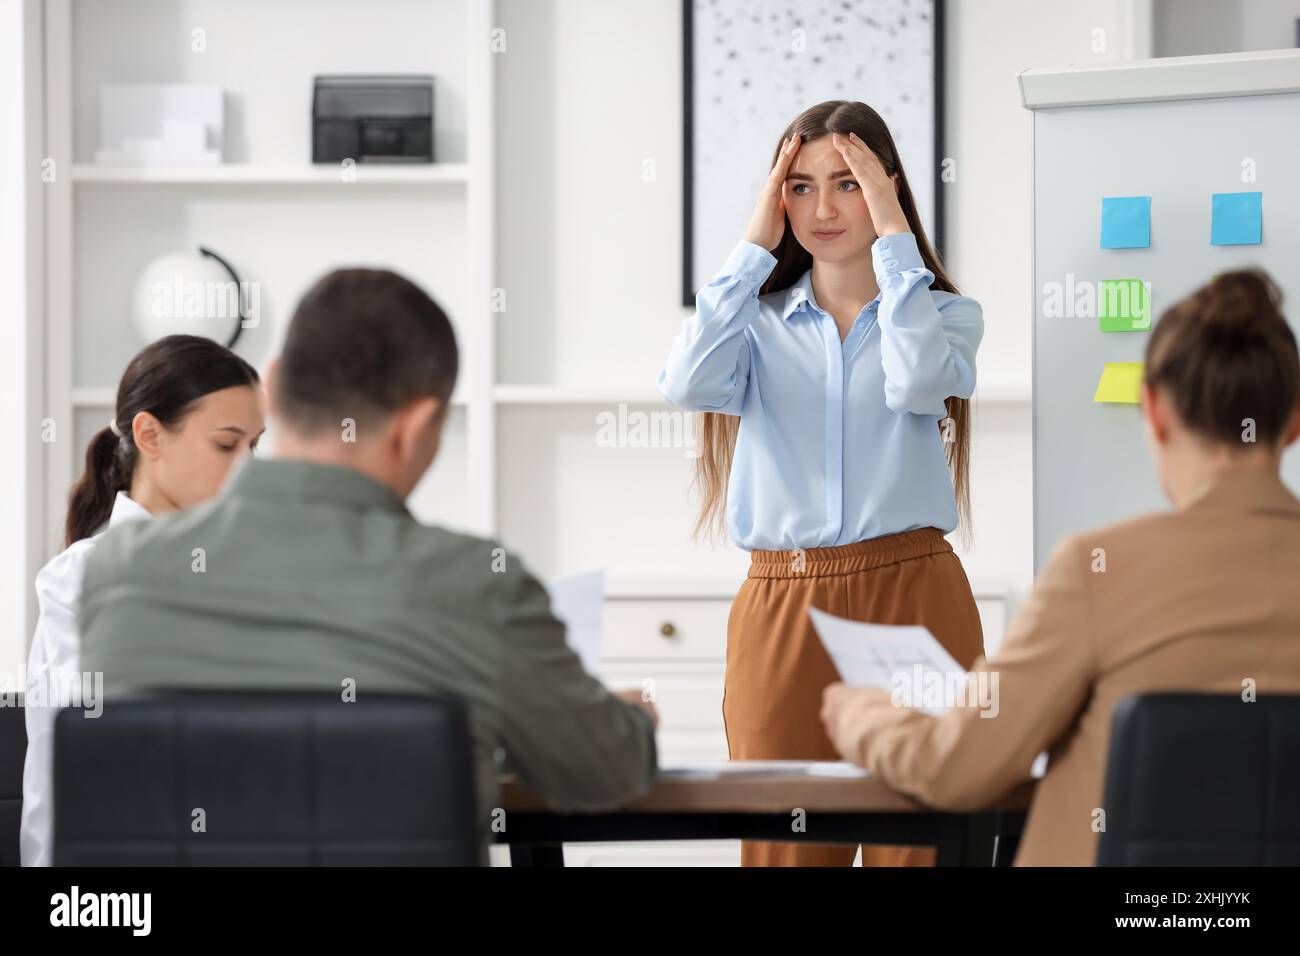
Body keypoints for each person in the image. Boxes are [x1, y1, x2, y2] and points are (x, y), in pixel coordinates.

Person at [78, 268, 658, 864]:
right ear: (417, 426)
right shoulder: (476, 587)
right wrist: (631, 720)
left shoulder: (119, 572)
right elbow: (604, 772)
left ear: (271, 388)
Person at [822, 269, 1300, 866]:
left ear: (1153, 411)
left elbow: (956, 768)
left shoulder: (1099, 572)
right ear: (1295, 420)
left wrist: (862, 714)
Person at [659, 100, 984, 867]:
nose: (823, 208)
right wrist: (750, 249)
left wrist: (896, 240)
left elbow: (915, 383)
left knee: (925, 846)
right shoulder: (754, 324)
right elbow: (686, 384)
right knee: (786, 847)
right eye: (799, 187)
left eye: (848, 183)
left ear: (886, 189)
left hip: (914, 594)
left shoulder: (946, 316)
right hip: (783, 602)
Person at [21, 335, 264, 865]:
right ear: (150, 435)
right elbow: (86, 758)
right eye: (227, 445)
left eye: (255, 445)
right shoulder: (81, 578)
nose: (249, 467)